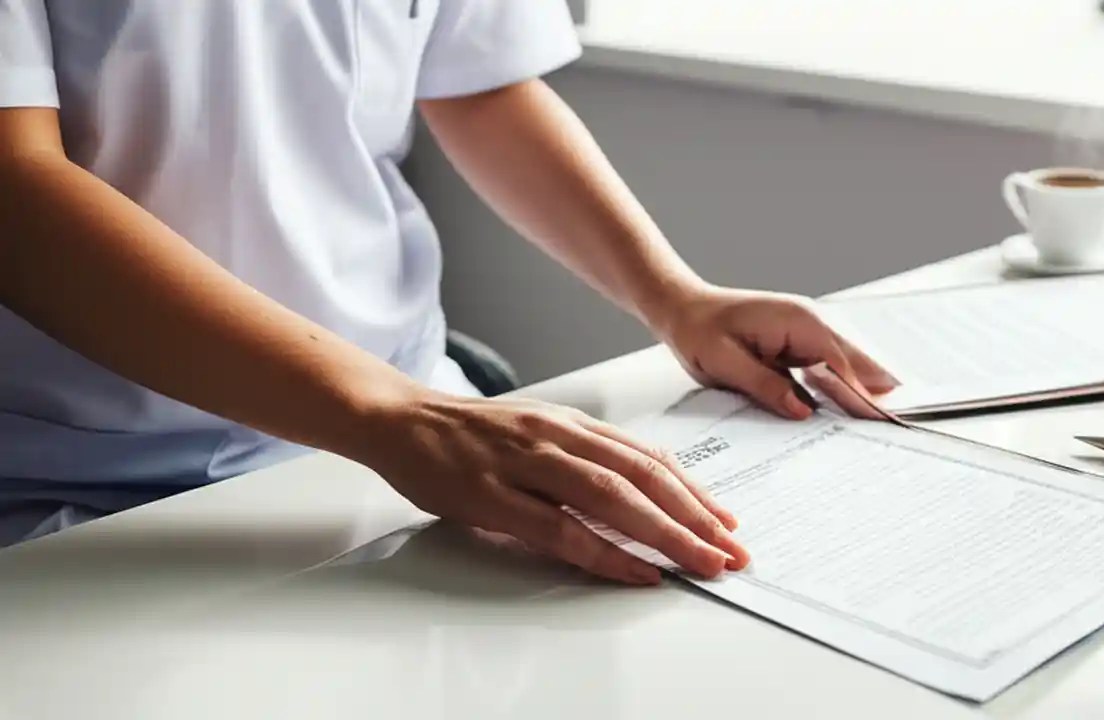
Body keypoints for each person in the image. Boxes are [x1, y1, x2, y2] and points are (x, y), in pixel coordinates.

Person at [0, 1, 895, 582]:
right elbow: (15, 190)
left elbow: (481, 83)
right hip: (94, 481)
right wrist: (390, 416)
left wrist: (674, 296)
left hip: (401, 423)